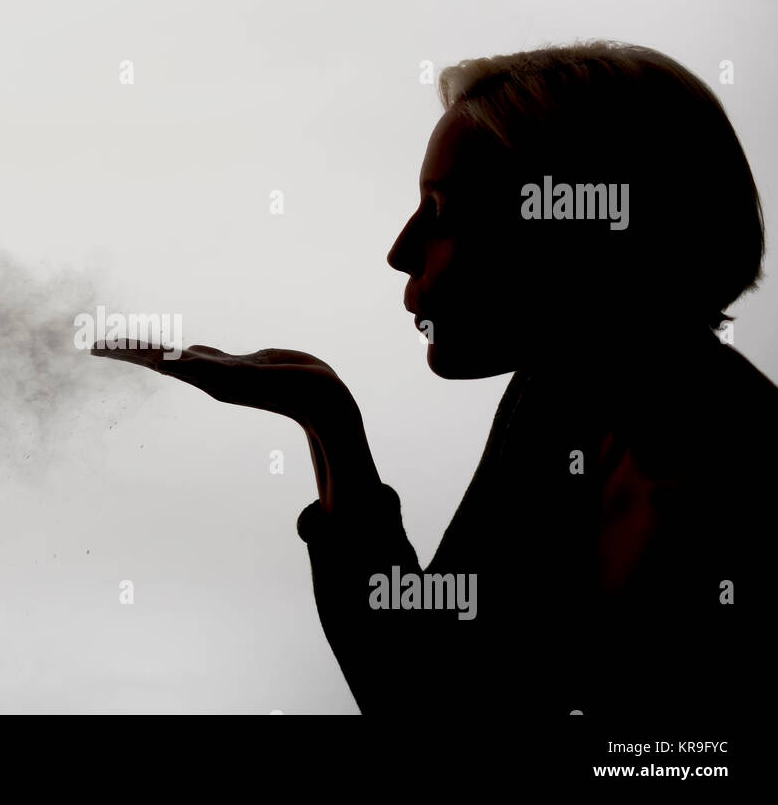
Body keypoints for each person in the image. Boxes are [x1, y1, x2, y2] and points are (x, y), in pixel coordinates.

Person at [92, 41, 773, 716]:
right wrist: (330, 426)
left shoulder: (725, 491)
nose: (399, 252)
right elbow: (431, 684)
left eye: (441, 212)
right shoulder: (560, 398)